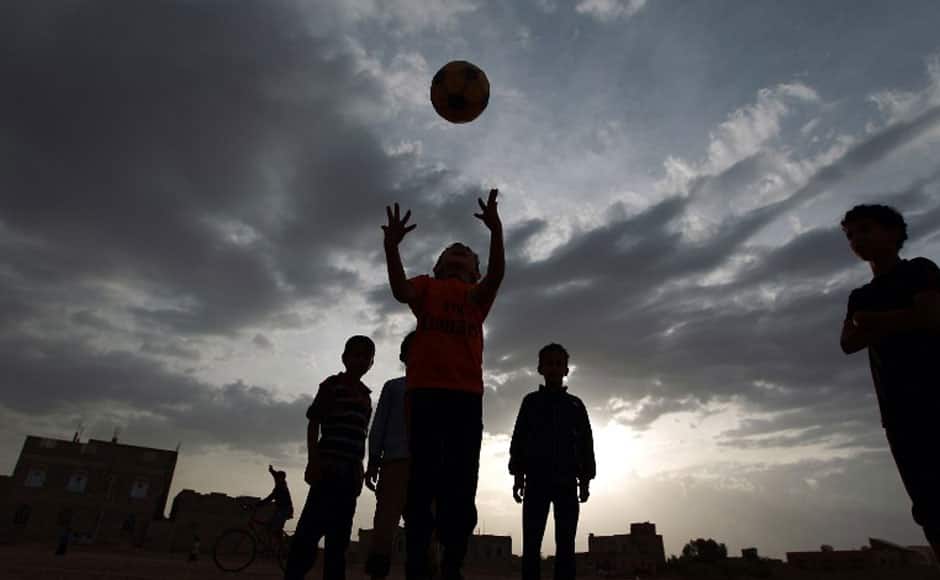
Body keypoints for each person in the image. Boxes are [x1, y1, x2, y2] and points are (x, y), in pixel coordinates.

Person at [382, 189, 506, 580]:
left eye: (466, 252)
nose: (459, 250)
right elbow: (400, 290)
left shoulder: (476, 296)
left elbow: (498, 274)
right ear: (437, 267)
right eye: (452, 250)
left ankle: (452, 562)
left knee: (461, 484)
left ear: (475, 272)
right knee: (422, 482)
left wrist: (496, 230)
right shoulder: (427, 288)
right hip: (426, 394)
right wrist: (391, 248)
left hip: (465, 398)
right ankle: (418, 560)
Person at [839, 204, 940, 557]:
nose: (856, 239)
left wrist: (872, 321)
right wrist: (896, 318)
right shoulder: (860, 296)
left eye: (865, 229)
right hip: (897, 409)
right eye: (850, 235)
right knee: (928, 504)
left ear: (894, 233)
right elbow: (847, 343)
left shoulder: (919, 270)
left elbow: (932, 316)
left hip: (935, 394)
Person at [283, 335, 375, 580]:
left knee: (339, 541)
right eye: (356, 355)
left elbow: (360, 438)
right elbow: (314, 423)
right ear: (345, 358)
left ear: (371, 363)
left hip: (349, 476)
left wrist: (359, 470)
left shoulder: (366, 396)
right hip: (327, 470)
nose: (361, 360)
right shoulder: (332, 385)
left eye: (366, 357)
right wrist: (313, 461)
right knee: (307, 535)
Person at [509, 343, 596, 580]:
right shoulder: (530, 403)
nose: (554, 368)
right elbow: (519, 440)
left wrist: (585, 481)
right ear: (540, 368)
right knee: (531, 544)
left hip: (567, 483)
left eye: (559, 364)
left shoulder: (575, 405)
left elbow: (586, 444)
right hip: (536, 482)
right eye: (549, 363)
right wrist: (518, 477)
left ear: (566, 369)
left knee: (566, 546)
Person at [364, 331, 415, 579]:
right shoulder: (394, 387)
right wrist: (374, 460)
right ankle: (378, 571)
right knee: (385, 525)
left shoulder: (435, 390)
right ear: (404, 357)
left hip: (426, 467)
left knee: (424, 528)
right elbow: (379, 426)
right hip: (395, 464)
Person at [258, 464, 294, 540]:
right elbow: (275, 475)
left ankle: (281, 544)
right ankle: (277, 541)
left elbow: (270, 498)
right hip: (281, 509)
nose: (276, 479)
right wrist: (271, 470)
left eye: (278, 478)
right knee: (271, 525)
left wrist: (259, 504)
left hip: (285, 510)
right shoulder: (279, 481)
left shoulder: (281, 488)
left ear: (281, 478)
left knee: (275, 527)